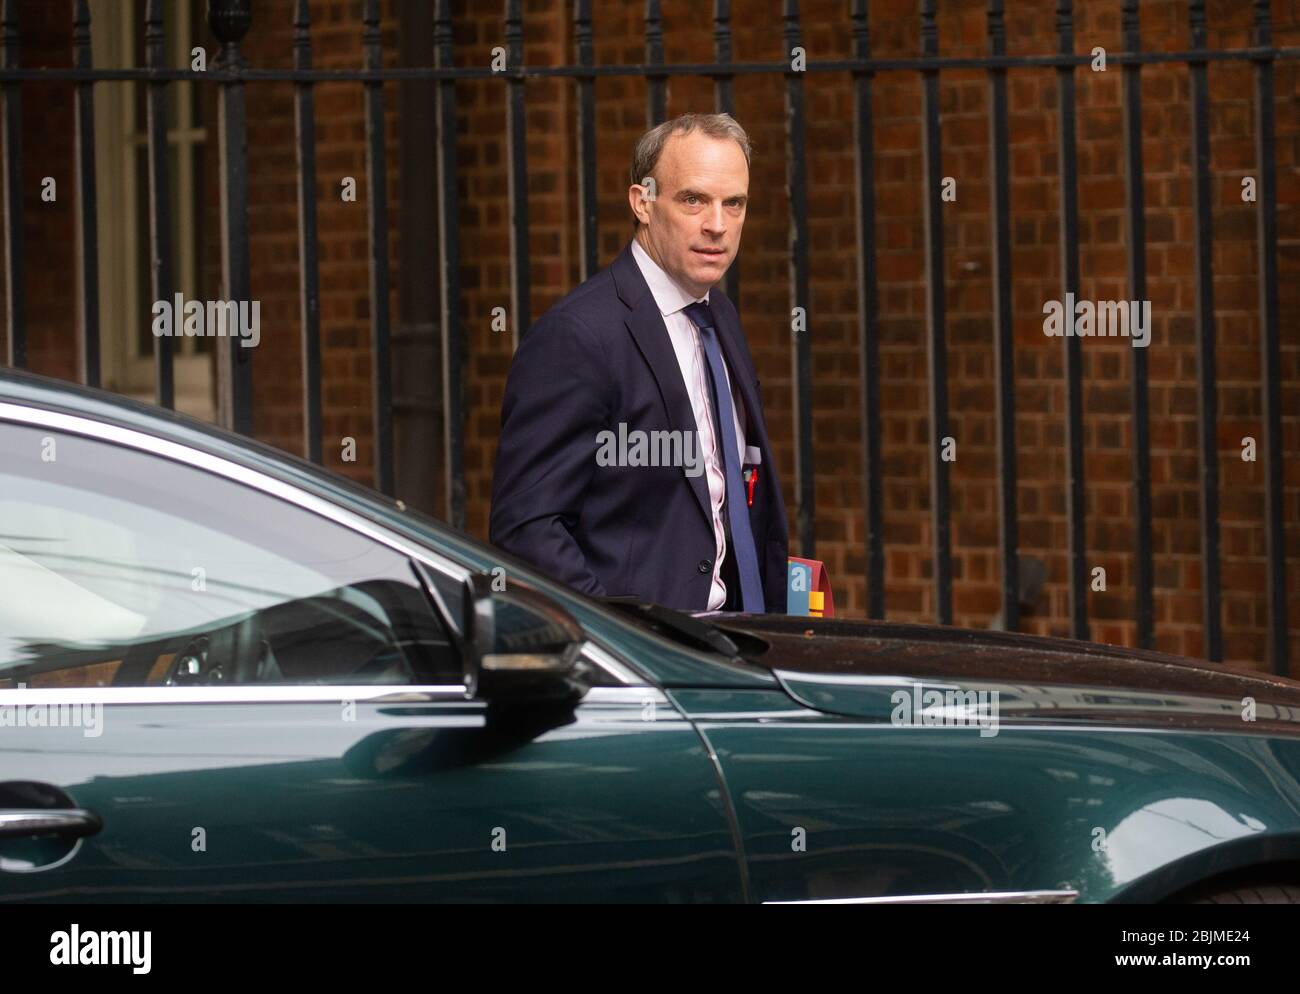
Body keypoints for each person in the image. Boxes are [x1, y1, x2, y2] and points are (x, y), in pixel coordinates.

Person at [489, 112, 787, 613]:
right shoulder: (579, 336)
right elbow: (527, 527)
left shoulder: (720, 316)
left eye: (733, 203)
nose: (717, 225)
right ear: (643, 202)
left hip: (734, 642)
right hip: (638, 662)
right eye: (693, 199)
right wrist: (622, 640)